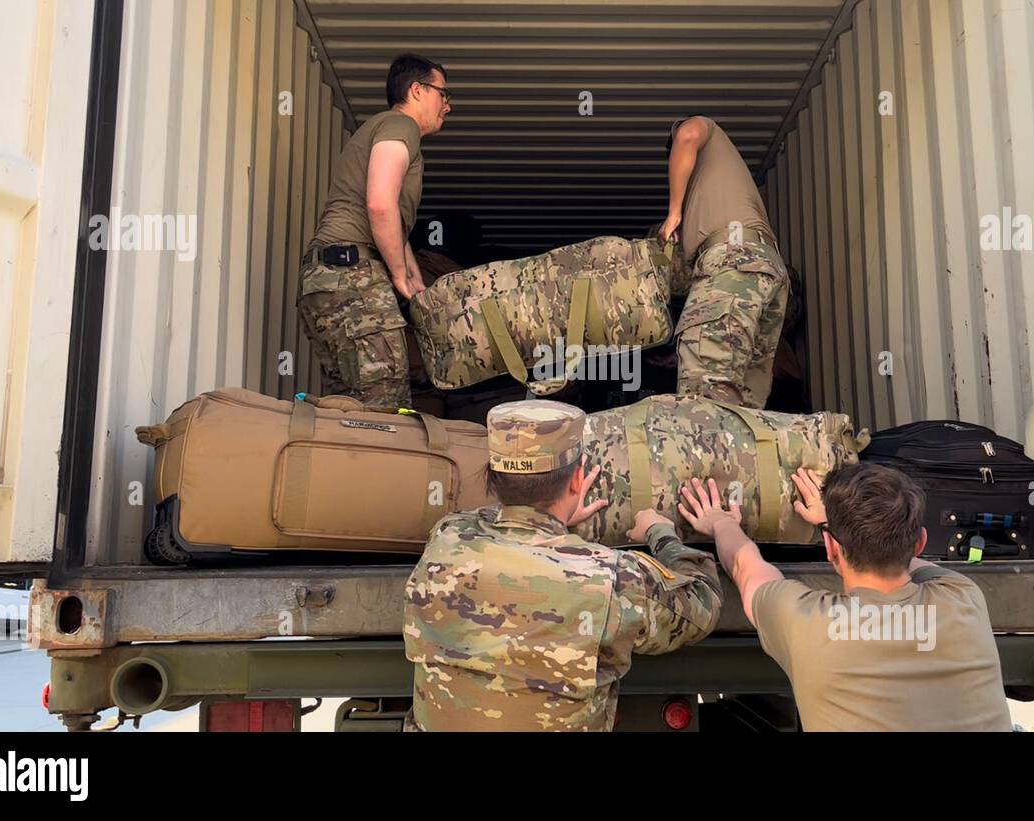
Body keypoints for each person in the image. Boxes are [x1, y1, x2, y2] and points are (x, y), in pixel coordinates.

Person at [402, 400, 723, 731]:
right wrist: (661, 533)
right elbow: (702, 606)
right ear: (577, 480)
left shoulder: (447, 537)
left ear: (492, 479)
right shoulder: (612, 579)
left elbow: (476, 520)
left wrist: (551, 518)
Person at [675, 462, 1013, 731]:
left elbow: (744, 565)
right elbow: (899, 551)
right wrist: (839, 525)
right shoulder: (963, 597)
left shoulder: (805, 622)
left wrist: (721, 522)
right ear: (921, 543)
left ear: (831, 548)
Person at [297, 53, 451, 409]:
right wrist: (397, 276)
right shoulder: (401, 126)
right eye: (443, 94)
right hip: (353, 277)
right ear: (417, 90)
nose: (448, 105)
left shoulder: (385, 128)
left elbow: (392, 219)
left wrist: (413, 277)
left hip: (328, 280)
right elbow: (380, 204)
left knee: (348, 410)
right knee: (384, 407)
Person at [660, 115, 790, 409]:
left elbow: (687, 135)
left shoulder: (703, 130)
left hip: (735, 262)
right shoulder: (716, 193)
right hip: (762, 269)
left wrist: (674, 212)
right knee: (742, 407)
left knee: (703, 398)